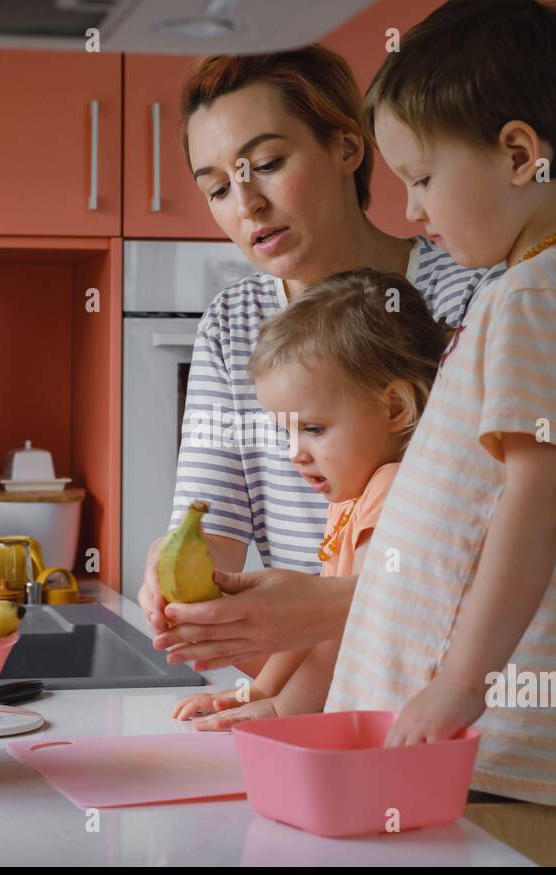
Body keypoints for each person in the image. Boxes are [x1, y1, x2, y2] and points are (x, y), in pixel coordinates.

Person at [324, 0, 556, 808]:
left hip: (477, 744)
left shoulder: (536, 295)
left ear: (517, 155)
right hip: (471, 738)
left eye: (423, 178)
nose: (411, 211)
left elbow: (537, 499)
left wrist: (458, 686)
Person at [137, 46, 499, 674]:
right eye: (218, 187)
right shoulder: (231, 325)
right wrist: (182, 587)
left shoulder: (470, 296)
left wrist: (336, 608)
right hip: (311, 694)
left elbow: (504, 547)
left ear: (347, 148)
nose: (245, 204)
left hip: (454, 688)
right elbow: (211, 531)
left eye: (268, 163)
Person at [169, 270, 449, 728]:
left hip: (393, 724)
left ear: (395, 407)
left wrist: (281, 709)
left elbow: (346, 630)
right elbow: (313, 623)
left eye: (313, 429)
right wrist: (258, 691)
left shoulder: (395, 490)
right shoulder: (351, 498)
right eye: (286, 431)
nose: (294, 453)